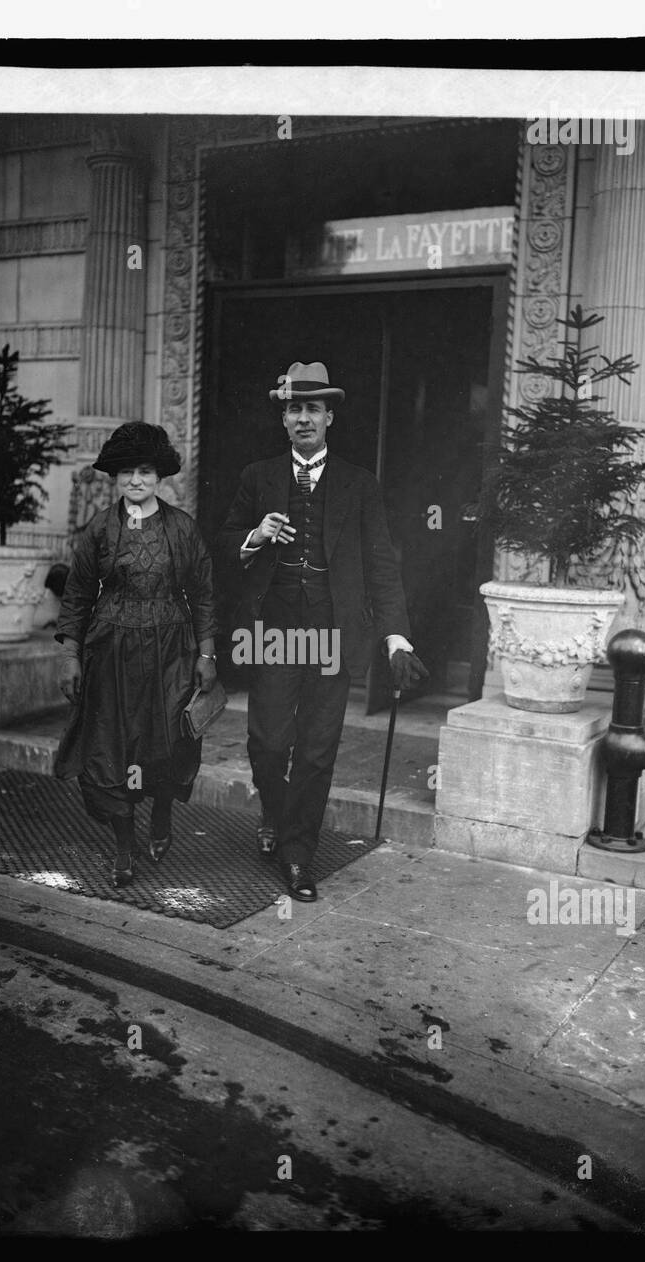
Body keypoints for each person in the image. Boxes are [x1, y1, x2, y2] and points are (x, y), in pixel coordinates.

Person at [217, 361, 427, 902]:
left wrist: (396, 637)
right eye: (294, 408)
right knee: (267, 742)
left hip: (332, 636)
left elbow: (381, 565)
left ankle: (296, 853)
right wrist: (255, 536)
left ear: (329, 417)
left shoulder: (359, 484)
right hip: (274, 633)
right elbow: (222, 547)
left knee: (315, 749)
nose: (303, 418)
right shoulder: (257, 477)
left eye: (313, 408)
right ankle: (275, 810)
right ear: (284, 419)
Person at [53, 421, 218, 888]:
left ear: (160, 476)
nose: (136, 481)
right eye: (127, 472)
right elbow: (78, 594)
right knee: (108, 750)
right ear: (115, 478)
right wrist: (70, 656)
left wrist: (207, 656)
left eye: (145, 471)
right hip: (111, 656)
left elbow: (203, 594)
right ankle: (125, 846)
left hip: (171, 654)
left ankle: (161, 810)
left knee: (167, 741)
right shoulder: (100, 530)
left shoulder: (182, 529)